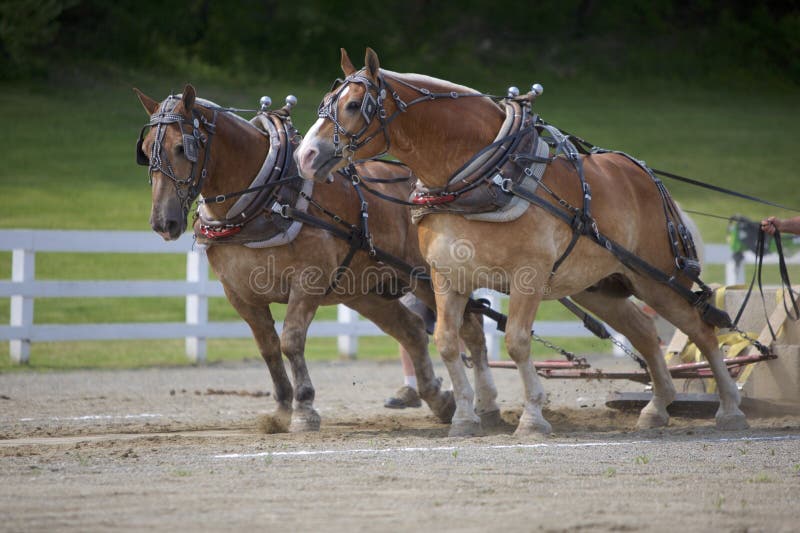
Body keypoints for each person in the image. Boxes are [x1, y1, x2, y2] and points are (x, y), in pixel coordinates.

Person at [383, 293, 436, 409]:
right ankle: (410, 388)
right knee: (406, 323)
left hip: (449, 282)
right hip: (417, 284)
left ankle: (457, 390)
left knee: (456, 319)